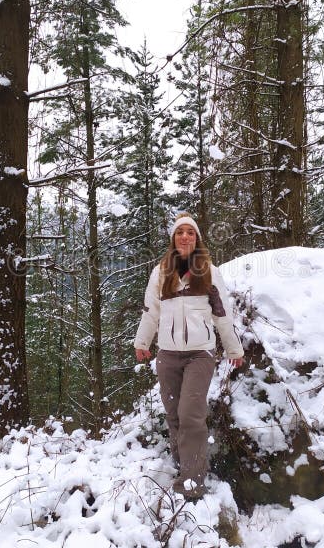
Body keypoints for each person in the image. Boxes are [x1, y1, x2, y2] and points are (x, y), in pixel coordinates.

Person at [134, 213, 244, 500]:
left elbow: (222, 314)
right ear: (173, 238)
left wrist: (234, 348)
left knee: (190, 414)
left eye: (190, 233)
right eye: (180, 232)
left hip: (200, 354)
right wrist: (143, 341)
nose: (185, 237)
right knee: (173, 416)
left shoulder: (209, 271)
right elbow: (151, 311)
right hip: (168, 355)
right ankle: (185, 464)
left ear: (197, 239)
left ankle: (192, 484)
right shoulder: (160, 272)